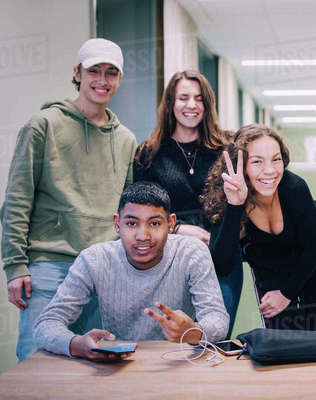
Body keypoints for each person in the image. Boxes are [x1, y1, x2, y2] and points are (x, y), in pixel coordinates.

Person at [1, 38, 137, 361]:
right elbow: (17, 200)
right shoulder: (42, 126)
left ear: (119, 79)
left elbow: (126, 211)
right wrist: (14, 265)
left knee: (96, 365)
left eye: (111, 73)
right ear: (77, 73)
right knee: (39, 363)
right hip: (49, 266)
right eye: (94, 71)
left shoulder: (126, 140)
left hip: (103, 270)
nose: (102, 81)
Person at [33, 181, 229, 361]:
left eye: (154, 223)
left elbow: (217, 318)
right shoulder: (94, 259)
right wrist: (77, 345)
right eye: (132, 223)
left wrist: (195, 331)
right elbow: (46, 324)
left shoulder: (192, 252)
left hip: (176, 363)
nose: (143, 236)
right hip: (116, 365)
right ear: (117, 223)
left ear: (170, 223)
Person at [134, 70, 242, 337]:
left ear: (207, 105)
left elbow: (237, 204)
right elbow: (141, 209)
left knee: (213, 340)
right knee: (172, 342)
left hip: (221, 261)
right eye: (183, 97)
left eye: (199, 98)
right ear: (171, 104)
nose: (191, 105)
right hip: (170, 262)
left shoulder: (226, 147)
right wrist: (179, 228)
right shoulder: (150, 153)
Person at [203, 124, 316, 330]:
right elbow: (221, 266)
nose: (269, 171)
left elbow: (315, 247)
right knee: (280, 328)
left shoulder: (294, 187)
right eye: (257, 161)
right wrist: (235, 205)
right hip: (267, 252)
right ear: (240, 165)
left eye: (276, 159)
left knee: (314, 324)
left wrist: (286, 293)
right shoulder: (228, 197)